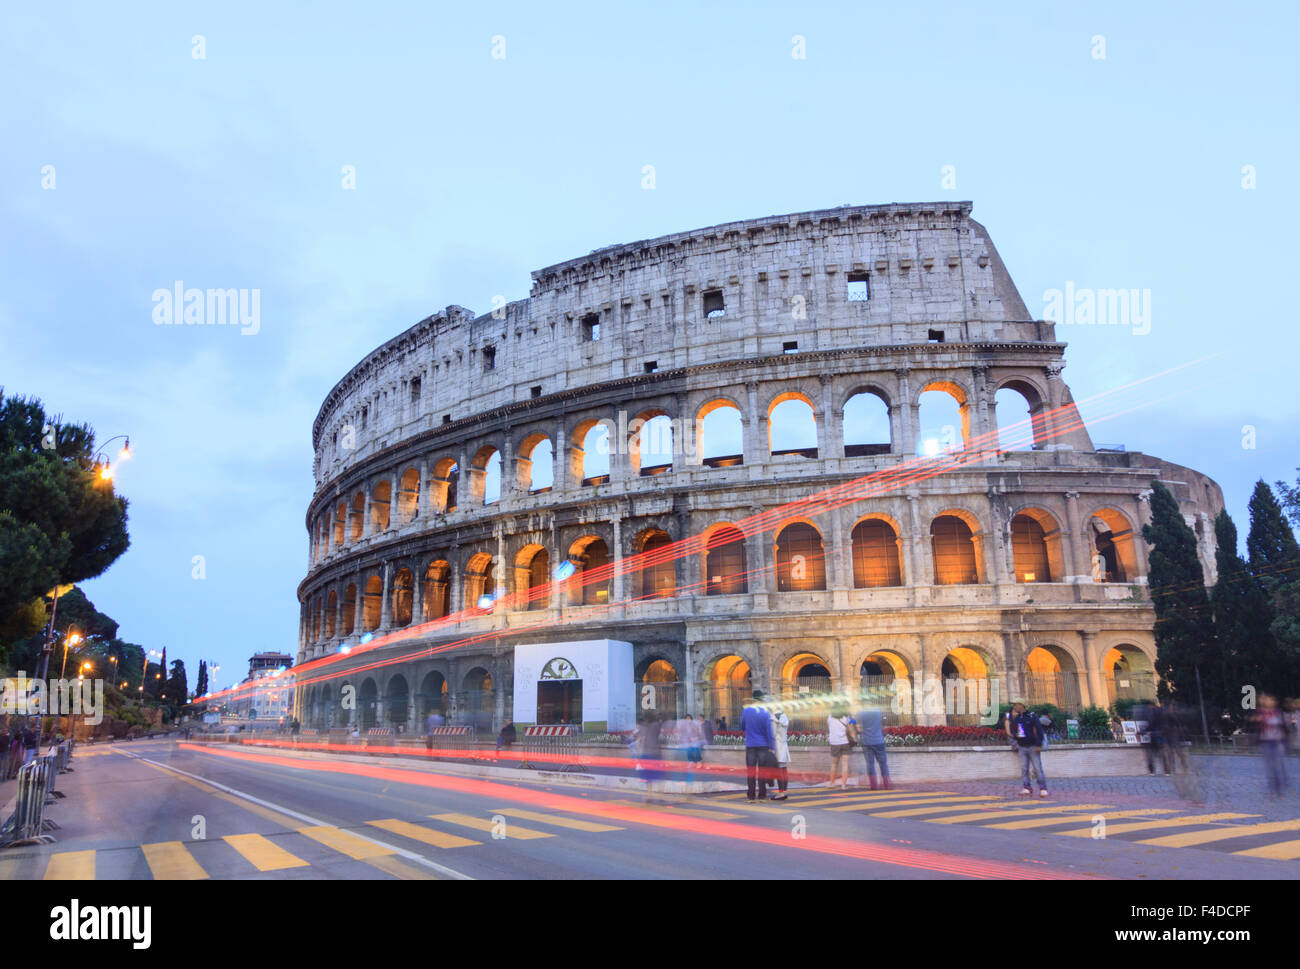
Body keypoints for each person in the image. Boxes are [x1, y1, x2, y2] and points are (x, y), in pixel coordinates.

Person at [740, 692, 775, 801]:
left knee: (751, 771)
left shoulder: (746, 711)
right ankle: (762, 795)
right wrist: (771, 746)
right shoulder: (765, 712)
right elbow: (769, 731)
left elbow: (742, 726)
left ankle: (751, 795)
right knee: (762, 771)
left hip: (750, 745)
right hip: (763, 745)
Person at [1008, 701, 1048, 797]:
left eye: (1015, 705)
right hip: (1022, 746)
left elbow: (1039, 730)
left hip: (1033, 746)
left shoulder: (1032, 716)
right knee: (1024, 768)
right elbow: (1015, 730)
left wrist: (1038, 744)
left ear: (1021, 705)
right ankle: (1027, 787)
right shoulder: (1017, 718)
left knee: (1038, 768)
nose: (1014, 707)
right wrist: (1016, 737)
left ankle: (1043, 788)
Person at [1254, 695, 1288, 796]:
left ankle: (1280, 787)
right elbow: (1257, 725)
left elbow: (1283, 725)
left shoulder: (1277, 712)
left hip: (1277, 741)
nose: (1271, 702)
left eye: (1272, 700)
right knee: (1271, 767)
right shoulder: (1260, 712)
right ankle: (1274, 789)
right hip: (1266, 741)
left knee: (1278, 765)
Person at [856, 705, 890, 790]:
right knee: (883, 764)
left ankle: (874, 785)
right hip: (879, 741)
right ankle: (887, 784)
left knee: (870, 764)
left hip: (867, 742)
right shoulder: (878, 711)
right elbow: (884, 723)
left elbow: (856, 724)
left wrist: (860, 730)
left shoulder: (861, 713)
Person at [826, 707, 856, 789]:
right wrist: (854, 738)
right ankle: (843, 785)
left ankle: (832, 784)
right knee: (845, 764)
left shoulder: (829, 717)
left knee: (834, 764)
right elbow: (851, 728)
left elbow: (830, 727)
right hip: (845, 742)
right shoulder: (846, 717)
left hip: (834, 742)